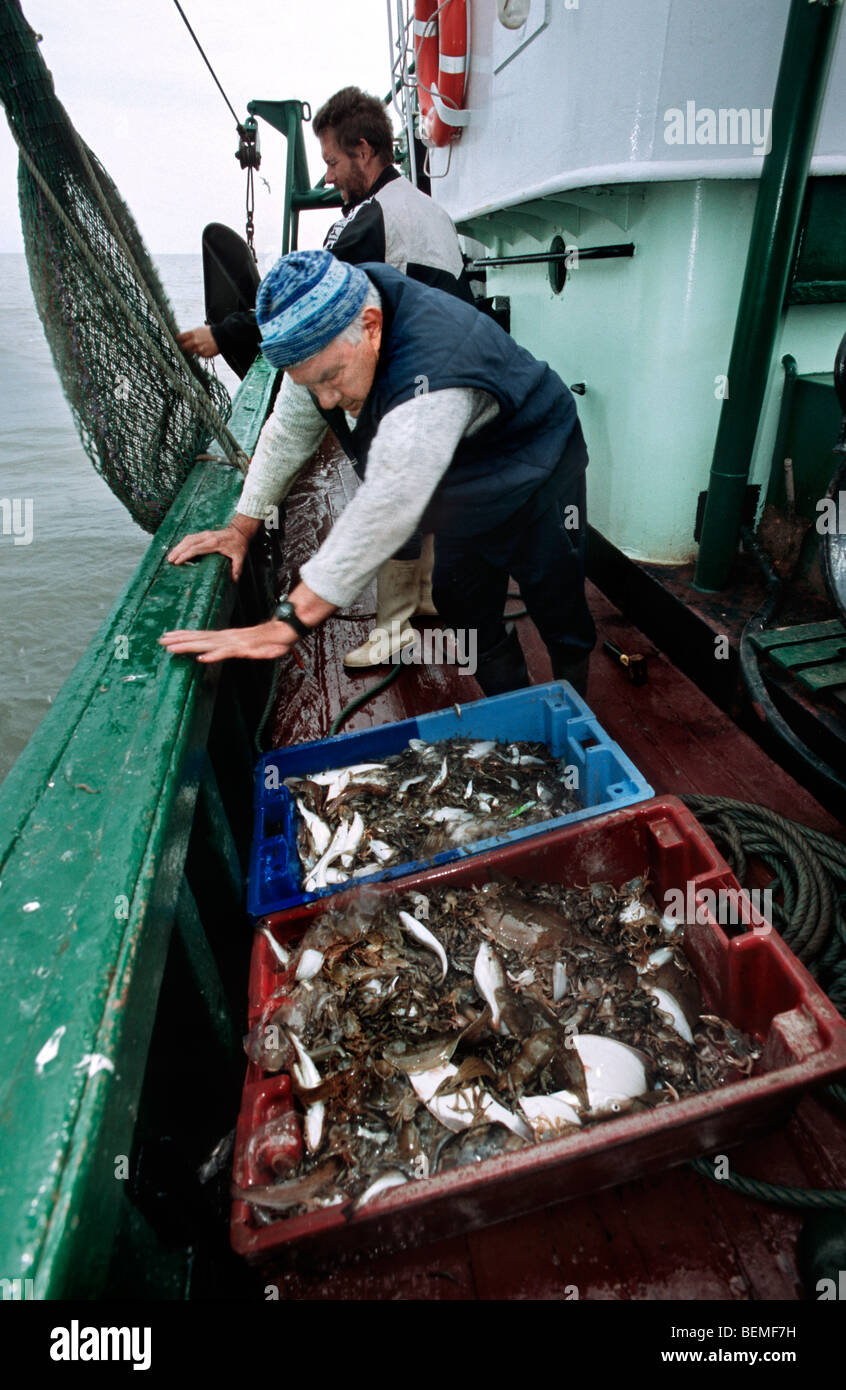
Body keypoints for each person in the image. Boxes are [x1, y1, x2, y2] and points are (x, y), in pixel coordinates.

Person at [161, 250, 596, 699]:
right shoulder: (324, 337)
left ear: (371, 326)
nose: (326, 400)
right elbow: (289, 432)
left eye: (332, 378)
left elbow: (391, 502)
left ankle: (577, 713)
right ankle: (516, 711)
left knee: (557, 602)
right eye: (312, 384)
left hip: (537, 464)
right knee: (460, 602)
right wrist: (240, 528)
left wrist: (287, 622)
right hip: (462, 478)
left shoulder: (432, 370)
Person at [176, 86, 474, 669]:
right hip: (448, 385)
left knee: (387, 486)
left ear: (364, 151)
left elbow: (310, 325)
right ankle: (425, 600)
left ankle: (394, 629)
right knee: (429, 488)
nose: (331, 177)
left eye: (334, 162)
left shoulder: (370, 220)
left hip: (400, 389)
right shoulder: (434, 212)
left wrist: (247, 520)